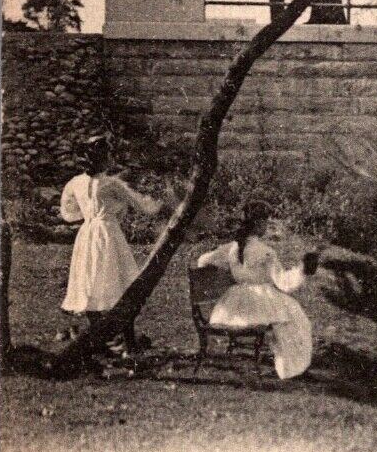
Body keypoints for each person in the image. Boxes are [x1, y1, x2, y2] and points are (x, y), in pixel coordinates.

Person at [194, 201, 319, 380]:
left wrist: (234, 274)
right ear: (258, 224)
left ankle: (289, 367)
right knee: (298, 320)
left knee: (287, 320)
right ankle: (292, 369)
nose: (267, 226)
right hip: (259, 305)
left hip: (234, 308)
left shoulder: (232, 248)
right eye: (265, 222)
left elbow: (203, 261)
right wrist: (303, 270)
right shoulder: (265, 251)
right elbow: (284, 283)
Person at [59, 138, 163, 352]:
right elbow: (143, 206)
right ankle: (129, 340)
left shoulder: (75, 183)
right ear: (102, 159)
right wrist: (162, 201)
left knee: (91, 283)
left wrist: (90, 215)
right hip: (107, 235)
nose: (111, 159)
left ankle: (100, 340)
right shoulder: (111, 183)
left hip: (87, 234)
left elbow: (68, 212)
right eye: (108, 155)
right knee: (120, 285)